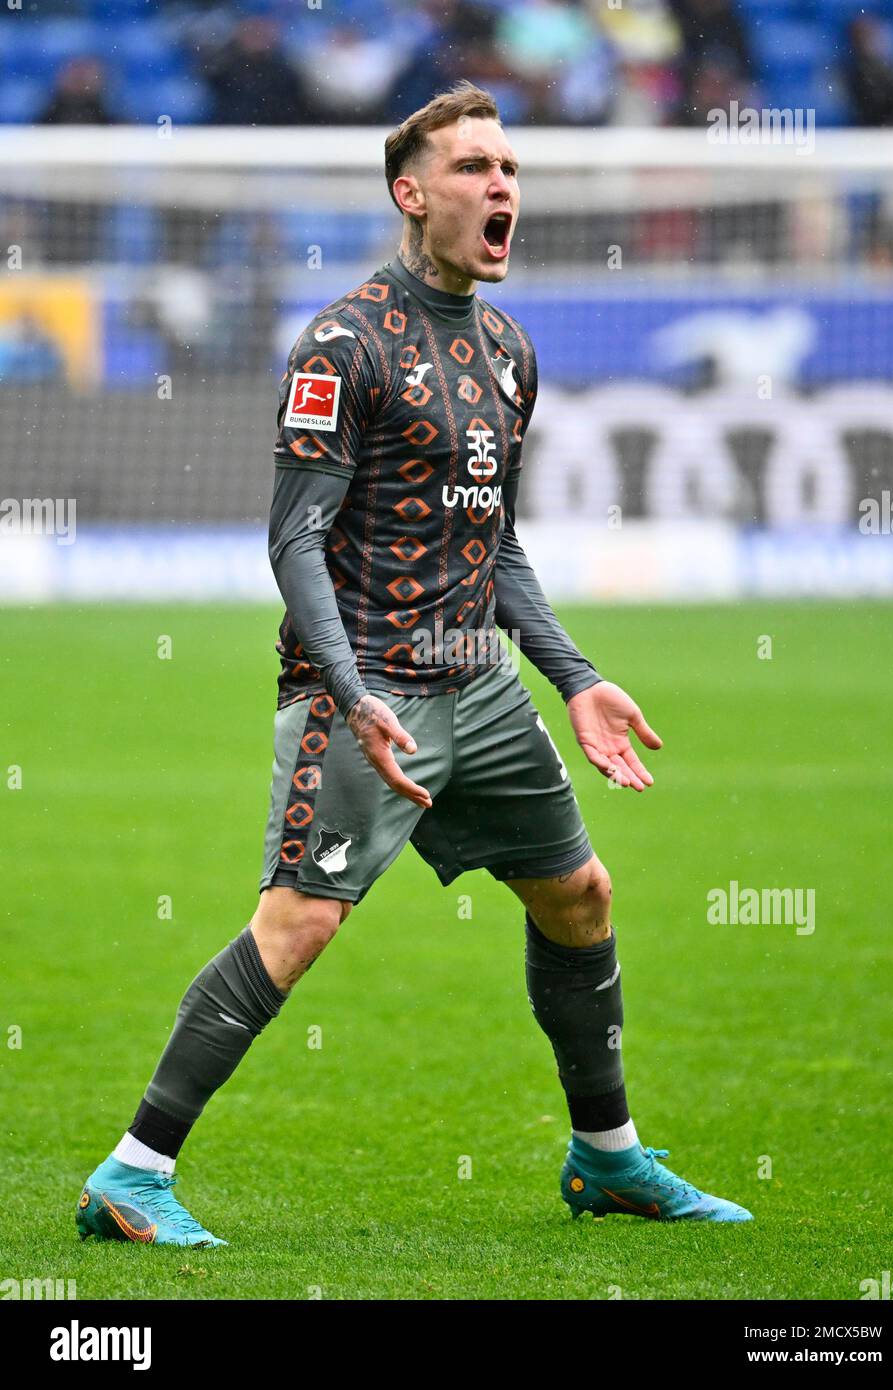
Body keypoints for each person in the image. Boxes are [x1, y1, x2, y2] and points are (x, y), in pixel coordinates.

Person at [76, 81, 751, 1247]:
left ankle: (606, 1160)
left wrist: (574, 675)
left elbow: (496, 544)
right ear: (411, 193)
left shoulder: (506, 351)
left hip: (476, 683)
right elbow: (290, 538)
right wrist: (348, 693)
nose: (502, 187)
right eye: (475, 168)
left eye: (510, 170)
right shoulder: (343, 342)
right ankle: (130, 1175)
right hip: (365, 684)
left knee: (578, 894)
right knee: (297, 926)